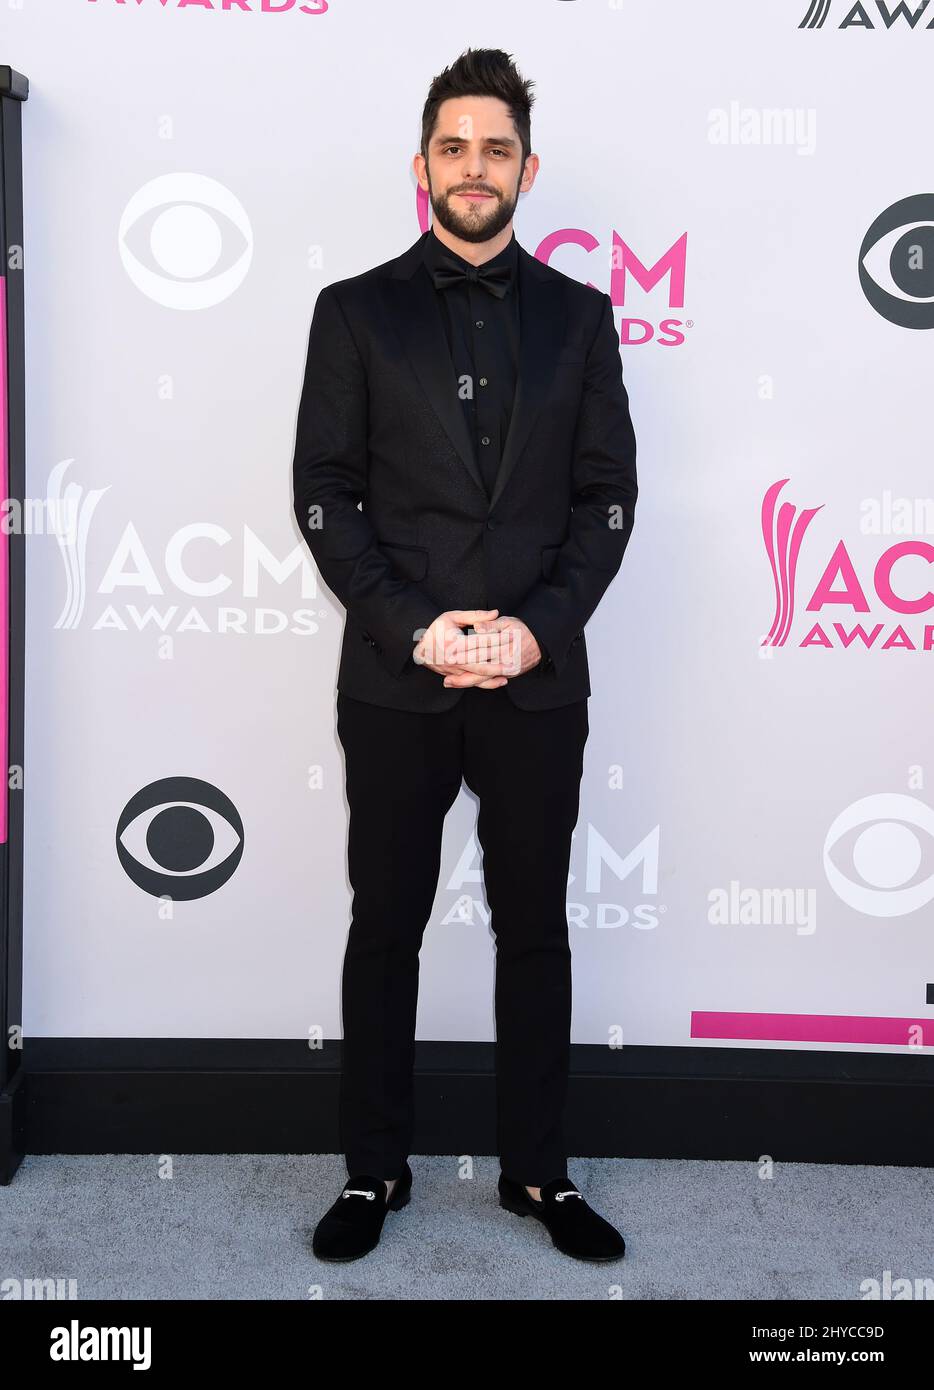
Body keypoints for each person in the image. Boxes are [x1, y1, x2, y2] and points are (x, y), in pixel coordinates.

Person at [292, 47, 638, 1264]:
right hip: (397, 676)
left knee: (534, 925)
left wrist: (535, 626)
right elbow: (326, 494)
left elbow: (606, 500)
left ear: (526, 168)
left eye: (496, 148)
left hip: (539, 680)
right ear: (422, 165)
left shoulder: (582, 319)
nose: (474, 167)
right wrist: (416, 625)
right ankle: (372, 1170)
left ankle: (537, 1174)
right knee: (383, 922)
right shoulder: (354, 311)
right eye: (454, 146)